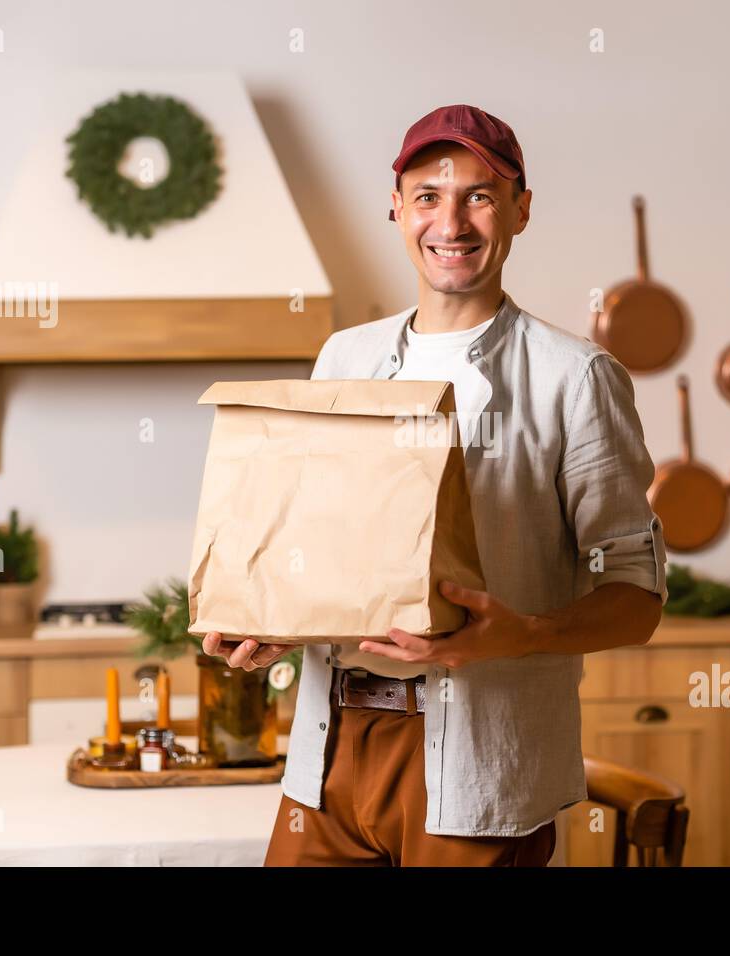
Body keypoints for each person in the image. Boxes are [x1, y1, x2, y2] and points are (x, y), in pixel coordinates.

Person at [204, 104, 667, 866]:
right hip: (324, 756)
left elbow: (636, 596)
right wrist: (269, 619)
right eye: (428, 195)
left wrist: (527, 635)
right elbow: (325, 554)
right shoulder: (342, 359)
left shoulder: (575, 377)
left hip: (477, 767)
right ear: (396, 206)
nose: (451, 221)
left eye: (480, 195)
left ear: (520, 209)